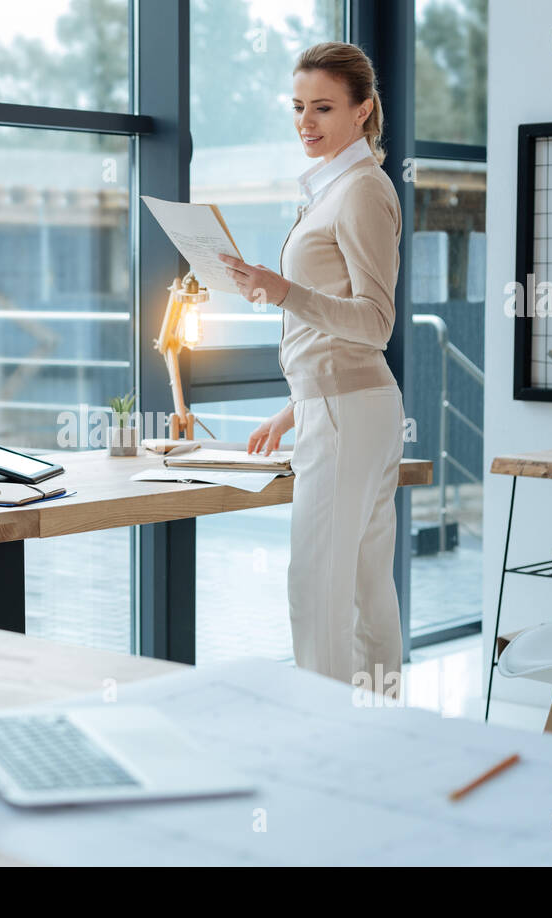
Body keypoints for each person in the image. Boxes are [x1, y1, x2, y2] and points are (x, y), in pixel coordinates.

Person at [218, 41, 404, 694]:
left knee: (318, 586)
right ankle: (383, 733)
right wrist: (295, 405)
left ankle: (322, 739)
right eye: (298, 107)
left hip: (350, 412)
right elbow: (334, 340)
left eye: (323, 107)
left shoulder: (359, 192)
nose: (306, 122)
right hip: (343, 404)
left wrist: (283, 290)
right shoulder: (332, 188)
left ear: (364, 110)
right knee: (360, 585)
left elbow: (374, 321)